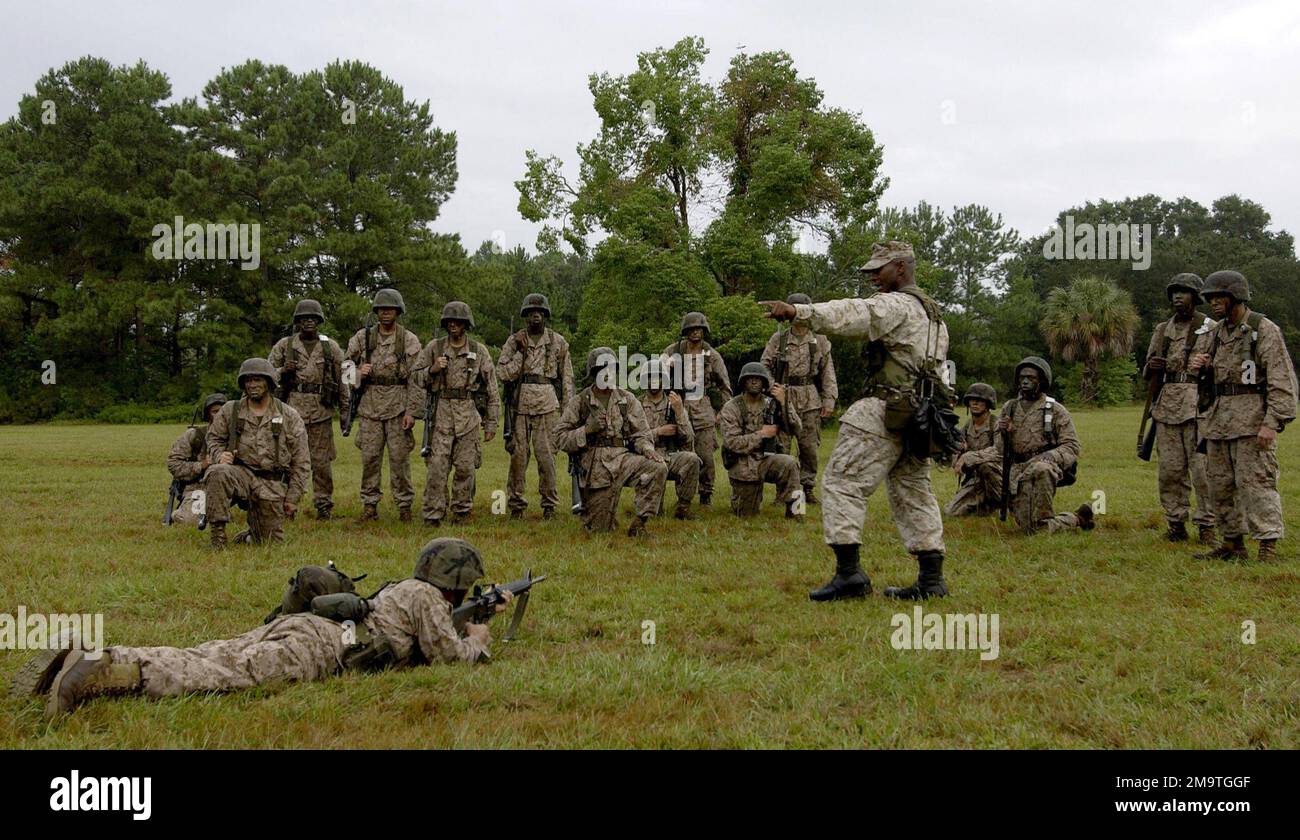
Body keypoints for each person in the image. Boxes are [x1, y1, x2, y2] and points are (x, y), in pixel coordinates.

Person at [31, 539, 508, 720]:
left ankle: (109, 654)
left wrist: (477, 616)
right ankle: (109, 669)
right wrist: (478, 641)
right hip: (319, 648)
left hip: (308, 624)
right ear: (459, 583)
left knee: (213, 650)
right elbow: (448, 656)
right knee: (225, 672)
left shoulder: (406, 589)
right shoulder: (429, 600)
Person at [761, 241, 949, 601]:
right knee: (913, 489)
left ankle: (849, 575)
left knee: (841, 482)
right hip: (920, 415)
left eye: (881, 268)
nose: (873, 276)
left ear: (902, 268)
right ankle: (931, 579)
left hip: (885, 408)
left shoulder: (896, 304)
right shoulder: (934, 314)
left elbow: (855, 314)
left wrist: (800, 312)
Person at [1189, 270, 1297, 562]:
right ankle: (1231, 544)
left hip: (1252, 422)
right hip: (1217, 422)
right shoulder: (1213, 334)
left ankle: (1267, 546)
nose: (1214, 303)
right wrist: (1200, 365)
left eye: (1219, 297)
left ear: (1236, 296)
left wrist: (1272, 423)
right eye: (1210, 298)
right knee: (1220, 486)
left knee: (1257, 485)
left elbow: (1281, 381)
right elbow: (1200, 376)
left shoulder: (1263, 329)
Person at [957, 357, 1094, 535]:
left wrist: (1051, 457)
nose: (1025, 381)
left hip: (1041, 470)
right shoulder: (1010, 408)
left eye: (1031, 377)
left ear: (1043, 380)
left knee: (1037, 527)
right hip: (1014, 471)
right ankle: (1075, 517)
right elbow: (998, 449)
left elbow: (1071, 446)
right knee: (1029, 526)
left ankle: (1075, 519)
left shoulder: (1055, 410)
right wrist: (1003, 435)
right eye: (1022, 377)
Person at [554, 346, 667, 536]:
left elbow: (641, 433)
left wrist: (647, 448)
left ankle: (639, 524)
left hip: (623, 460)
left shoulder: (627, 399)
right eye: (602, 369)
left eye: (611, 369)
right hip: (595, 468)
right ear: (594, 373)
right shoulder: (580, 402)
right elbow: (559, 438)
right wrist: (587, 431)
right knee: (599, 531)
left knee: (657, 467)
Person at [204, 359, 311, 548]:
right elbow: (213, 438)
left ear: (269, 383)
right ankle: (218, 535)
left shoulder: (289, 415)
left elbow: (301, 461)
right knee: (218, 471)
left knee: (270, 543)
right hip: (240, 474)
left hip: (272, 483)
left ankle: (250, 534)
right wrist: (219, 455)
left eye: (258, 380)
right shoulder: (231, 410)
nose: (252, 385)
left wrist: (293, 498)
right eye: (248, 380)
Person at [1142, 274, 1217, 543]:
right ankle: (1176, 523)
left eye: (1183, 292)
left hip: (1199, 406)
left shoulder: (1211, 328)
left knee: (1203, 471)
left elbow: (1224, 368)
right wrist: (1151, 367)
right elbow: (1148, 368)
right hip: (1167, 406)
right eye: (1174, 292)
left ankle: (1207, 525)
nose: (1177, 297)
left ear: (1196, 297)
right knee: (1170, 471)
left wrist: (1208, 366)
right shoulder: (1162, 330)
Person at [411, 301, 499, 526]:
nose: (453, 325)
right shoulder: (434, 348)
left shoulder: (479, 352)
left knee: (465, 468)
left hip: (468, 416)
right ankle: (433, 513)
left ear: (466, 325)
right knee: (437, 467)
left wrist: (491, 422)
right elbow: (416, 378)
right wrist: (432, 369)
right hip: (441, 415)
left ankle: (461, 511)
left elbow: (492, 389)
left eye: (458, 322)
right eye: (449, 321)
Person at [495, 293, 575, 520]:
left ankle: (549, 505)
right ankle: (516, 504)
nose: (535, 317)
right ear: (525, 317)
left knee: (547, 458)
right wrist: (521, 353)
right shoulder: (514, 341)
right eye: (531, 313)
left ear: (546, 316)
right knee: (518, 458)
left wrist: (568, 414)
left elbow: (567, 380)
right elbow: (503, 373)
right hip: (519, 405)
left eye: (539, 313)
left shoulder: (558, 342)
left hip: (548, 405)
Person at [346, 288, 423, 522]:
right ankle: (369, 506)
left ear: (398, 311)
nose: (385, 313)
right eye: (381, 309)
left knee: (400, 460)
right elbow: (343, 369)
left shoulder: (408, 339)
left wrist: (412, 411)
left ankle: (404, 506)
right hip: (370, 407)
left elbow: (417, 378)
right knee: (370, 459)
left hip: (398, 407)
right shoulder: (362, 337)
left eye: (390, 309)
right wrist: (358, 372)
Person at [269, 298, 348, 520]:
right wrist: (283, 370)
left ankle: (324, 506)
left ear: (319, 321)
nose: (309, 322)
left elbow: (343, 381)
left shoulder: (330, 347)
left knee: (321, 463)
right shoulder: (284, 346)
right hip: (290, 412)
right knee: (286, 461)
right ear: (297, 322)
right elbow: (265, 374)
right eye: (304, 318)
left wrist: (345, 412)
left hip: (321, 413)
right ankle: (286, 505)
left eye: (313, 318)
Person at [761, 293, 837, 503]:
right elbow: (764, 365)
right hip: (784, 397)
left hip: (810, 398)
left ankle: (808, 488)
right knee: (782, 447)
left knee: (809, 447)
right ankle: (783, 490)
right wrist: (772, 388)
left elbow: (827, 372)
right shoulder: (779, 339)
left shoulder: (819, 340)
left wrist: (829, 399)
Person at [659, 313, 732, 506]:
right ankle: (683, 497)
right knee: (682, 454)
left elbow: (725, 386)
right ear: (685, 331)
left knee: (705, 455)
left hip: (703, 408)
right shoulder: (673, 350)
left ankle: (706, 494)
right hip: (678, 406)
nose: (695, 333)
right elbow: (657, 372)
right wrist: (668, 366)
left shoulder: (711, 355)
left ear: (704, 331)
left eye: (699, 329)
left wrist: (723, 411)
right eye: (691, 329)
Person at [717, 362, 804, 521]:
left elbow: (797, 428)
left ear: (764, 382)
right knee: (746, 514)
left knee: (791, 464)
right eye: (750, 378)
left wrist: (784, 403)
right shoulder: (731, 407)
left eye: (758, 378)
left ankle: (796, 511)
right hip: (743, 464)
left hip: (767, 458)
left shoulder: (773, 403)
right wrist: (761, 435)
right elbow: (731, 443)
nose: (755, 382)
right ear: (743, 382)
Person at [637, 358, 702, 519]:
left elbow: (688, 438)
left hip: (669, 455)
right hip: (645, 457)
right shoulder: (636, 405)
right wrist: (657, 432)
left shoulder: (673, 403)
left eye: (657, 377)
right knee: (653, 514)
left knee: (692, 458)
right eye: (649, 377)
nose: (653, 381)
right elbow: (632, 437)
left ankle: (683, 506)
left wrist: (679, 412)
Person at [166, 392, 226, 525]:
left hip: (230, 488)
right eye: (215, 411)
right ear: (208, 415)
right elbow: (173, 464)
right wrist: (201, 465)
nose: (220, 415)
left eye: (223, 411)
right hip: (200, 488)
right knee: (190, 520)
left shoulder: (237, 436)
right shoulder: (194, 436)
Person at [944, 383, 1001, 517]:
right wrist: (959, 455)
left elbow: (999, 451)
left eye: (980, 400)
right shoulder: (966, 427)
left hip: (997, 478)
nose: (975, 403)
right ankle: (984, 504)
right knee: (952, 512)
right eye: (972, 399)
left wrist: (968, 457)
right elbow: (954, 458)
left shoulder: (996, 424)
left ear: (988, 403)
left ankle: (1005, 502)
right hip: (976, 480)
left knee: (986, 466)